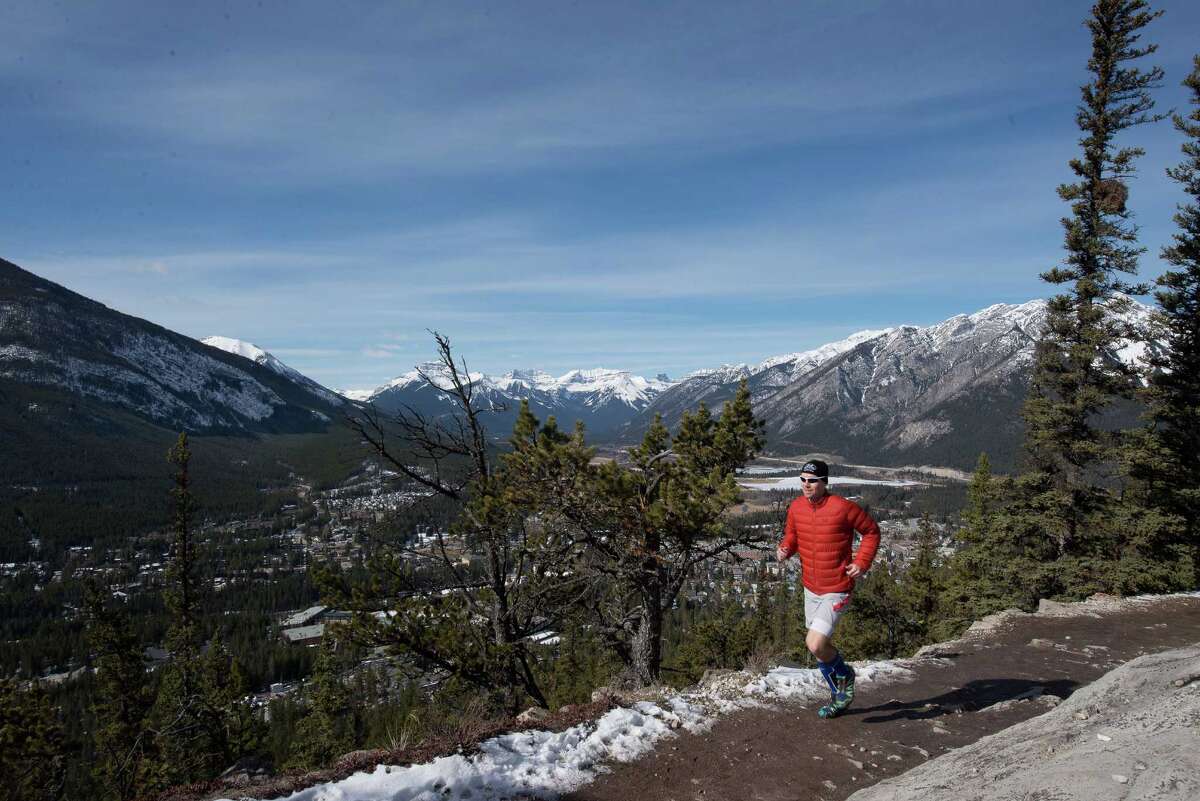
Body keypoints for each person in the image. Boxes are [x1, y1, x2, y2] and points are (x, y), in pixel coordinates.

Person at [775, 459, 880, 718]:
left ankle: (845, 675)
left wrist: (862, 562)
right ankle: (838, 695)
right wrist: (786, 548)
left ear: (824, 482)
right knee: (819, 649)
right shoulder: (797, 507)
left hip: (837, 587)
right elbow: (792, 535)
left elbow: (871, 531)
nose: (806, 485)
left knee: (814, 643)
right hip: (811, 587)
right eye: (802, 480)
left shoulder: (843, 508)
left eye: (812, 481)